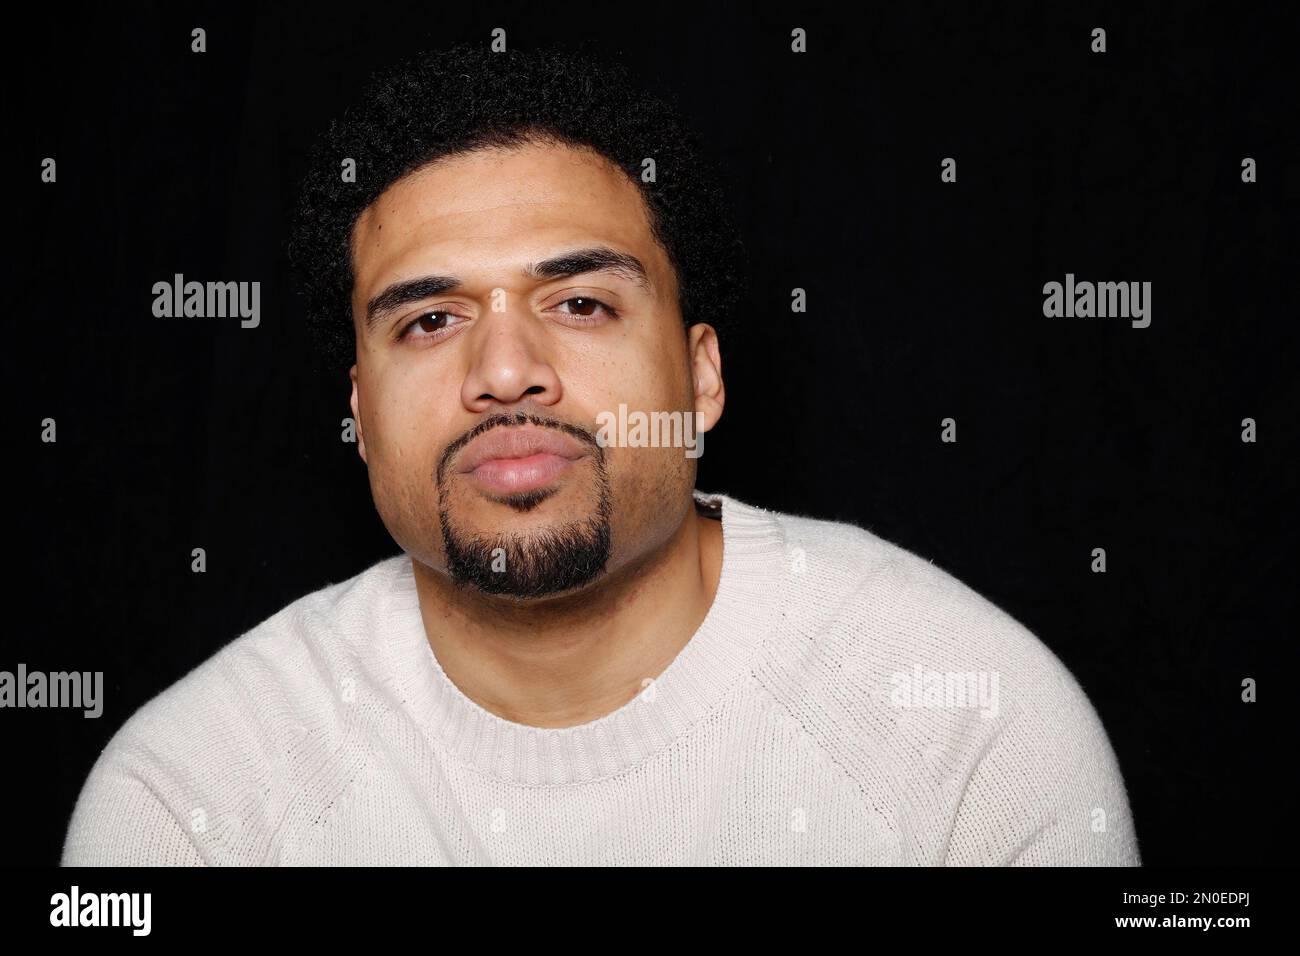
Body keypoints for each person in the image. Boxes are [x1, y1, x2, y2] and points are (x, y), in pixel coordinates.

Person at [61, 41, 1140, 866]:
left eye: (579, 302)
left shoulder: (973, 729)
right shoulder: (189, 803)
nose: (507, 368)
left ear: (702, 375)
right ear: (358, 407)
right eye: (428, 320)